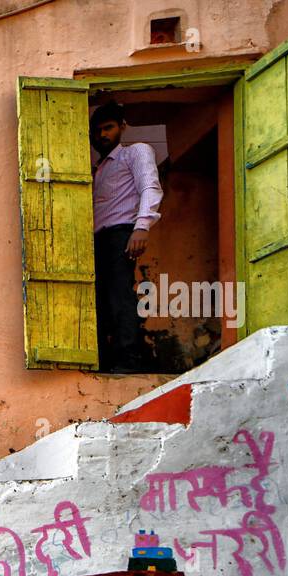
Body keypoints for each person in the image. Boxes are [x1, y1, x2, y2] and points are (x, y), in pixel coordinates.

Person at [90, 101, 163, 373]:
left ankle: (128, 360)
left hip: (122, 233)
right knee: (100, 300)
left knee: (120, 297)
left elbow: (149, 187)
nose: (102, 136)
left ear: (122, 127)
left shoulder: (135, 152)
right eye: (97, 131)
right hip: (97, 240)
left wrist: (141, 227)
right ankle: (105, 359)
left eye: (108, 128)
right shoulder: (98, 169)